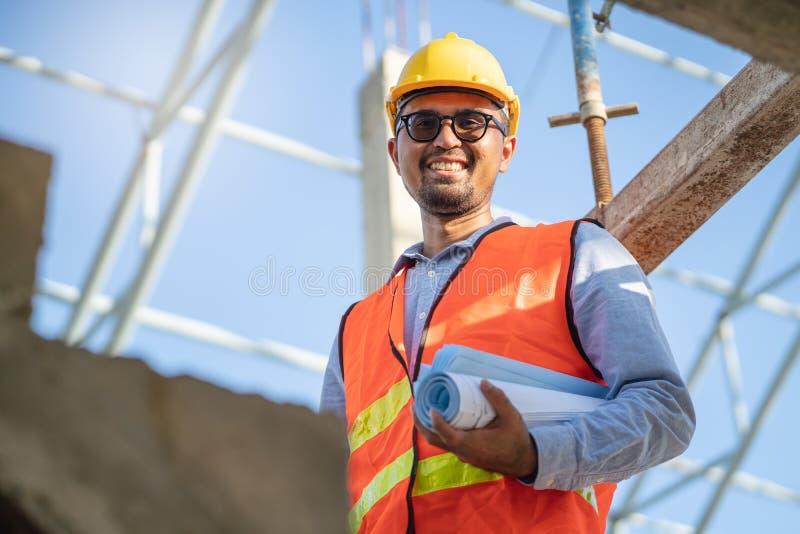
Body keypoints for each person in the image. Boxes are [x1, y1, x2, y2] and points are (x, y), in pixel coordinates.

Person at [320, 32, 694, 533]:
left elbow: (665, 413)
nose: (447, 139)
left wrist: (535, 454)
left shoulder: (573, 254)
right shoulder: (355, 330)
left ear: (507, 148)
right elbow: (323, 487)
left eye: (472, 123)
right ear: (395, 150)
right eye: (423, 122)